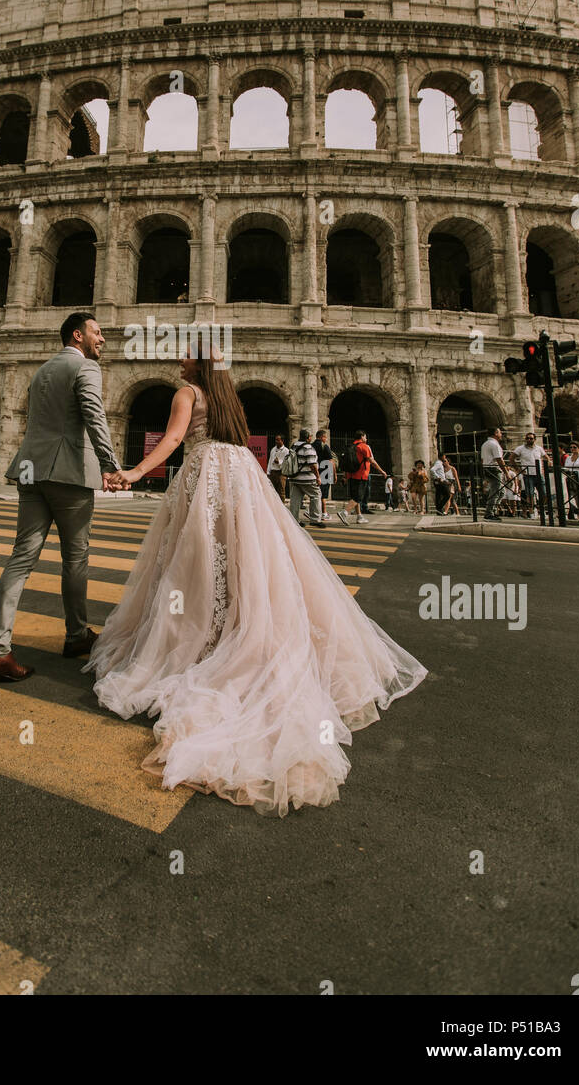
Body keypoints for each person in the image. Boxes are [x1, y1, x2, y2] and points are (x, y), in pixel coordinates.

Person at [84, 343, 427, 816]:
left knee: (198, 562)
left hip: (205, 475)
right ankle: (238, 628)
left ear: (198, 364)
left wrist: (136, 471)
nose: (178, 359)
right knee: (250, 559)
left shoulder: (186, 392)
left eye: (185, 354)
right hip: (240, 475)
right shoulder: (228, 398)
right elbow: (235, 442)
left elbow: (171, 439)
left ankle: (206, 638)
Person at [0, 312, 123, 682]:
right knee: (75, 557)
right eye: (97, 333)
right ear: (78, 335)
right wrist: (110, 464)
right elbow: (94, 416)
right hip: (68, 472)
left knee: (22, 556)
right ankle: (75, 634)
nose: (102, 339)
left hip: (30, 469)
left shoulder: (41, 371)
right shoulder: (86, 368)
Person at [337, 430, 386, 525]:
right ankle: (344, 512)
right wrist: (382, 471)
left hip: (351, 475)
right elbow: (372, 461)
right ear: (362, 436)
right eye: (365, 437)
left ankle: (359, 516)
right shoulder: (364, 447)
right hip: (361, 475)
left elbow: (347, 462)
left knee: (355, 496)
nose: (366, 439)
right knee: (358, 497)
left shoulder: (351, 447)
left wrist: (345, 477)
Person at [287, 427, 322, 527]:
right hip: (307, 479)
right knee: (316, 495)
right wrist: (318, 477)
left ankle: (294, 520)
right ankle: (315, 519)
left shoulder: (293, 446)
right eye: (310, 436)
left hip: (295, 477)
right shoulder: (308, 448)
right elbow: (313, 465)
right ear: (308, 437)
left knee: (295, 499)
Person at [511, 432, 546, 520]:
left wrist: (544, 468)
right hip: (528, 474)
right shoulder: (520, 448)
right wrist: (518, 469)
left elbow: (547, 458)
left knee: (543, 493)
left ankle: (540, 509)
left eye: (531, 438)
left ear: (534, 439)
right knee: (529, 494)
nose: (529, 440)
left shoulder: (539, 448)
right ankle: (531, 511)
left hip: (538, 473)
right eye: (527, 438)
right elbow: (511, 458)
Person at [480, 427, 509, 520]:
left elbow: (482, 459)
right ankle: (489, 513)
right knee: (496, 491)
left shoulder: (485, 444)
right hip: (494, 469)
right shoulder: (494, 445)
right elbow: (499, 459)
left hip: (487, 468)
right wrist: (506, 472)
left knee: (501, 491)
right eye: (500, 433)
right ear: (495, 433)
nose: (501, 435)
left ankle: (493, 510)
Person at [313, 428, 336, 520]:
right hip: (325, 472)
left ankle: (312, 511)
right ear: (322, 437)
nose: (326, 439)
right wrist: (335, 474)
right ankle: (324, 513)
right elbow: (331, 462)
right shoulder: (325, 446)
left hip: (314, 471)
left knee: (314, 493)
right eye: (325, 437)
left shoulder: (311, 446)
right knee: (324, 494)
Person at [266, 434, 289, 501]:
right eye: (276, 440)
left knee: (281, 491)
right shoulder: (273, 449)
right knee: (272, 491)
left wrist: (279, 462)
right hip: (273, 472)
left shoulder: (286, 451)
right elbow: (270, 460)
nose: (276, 441)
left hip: (281, 473)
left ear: (282, 441)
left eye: (278, 440)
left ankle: (282, 507)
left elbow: (286, 463)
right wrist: (268, 472)